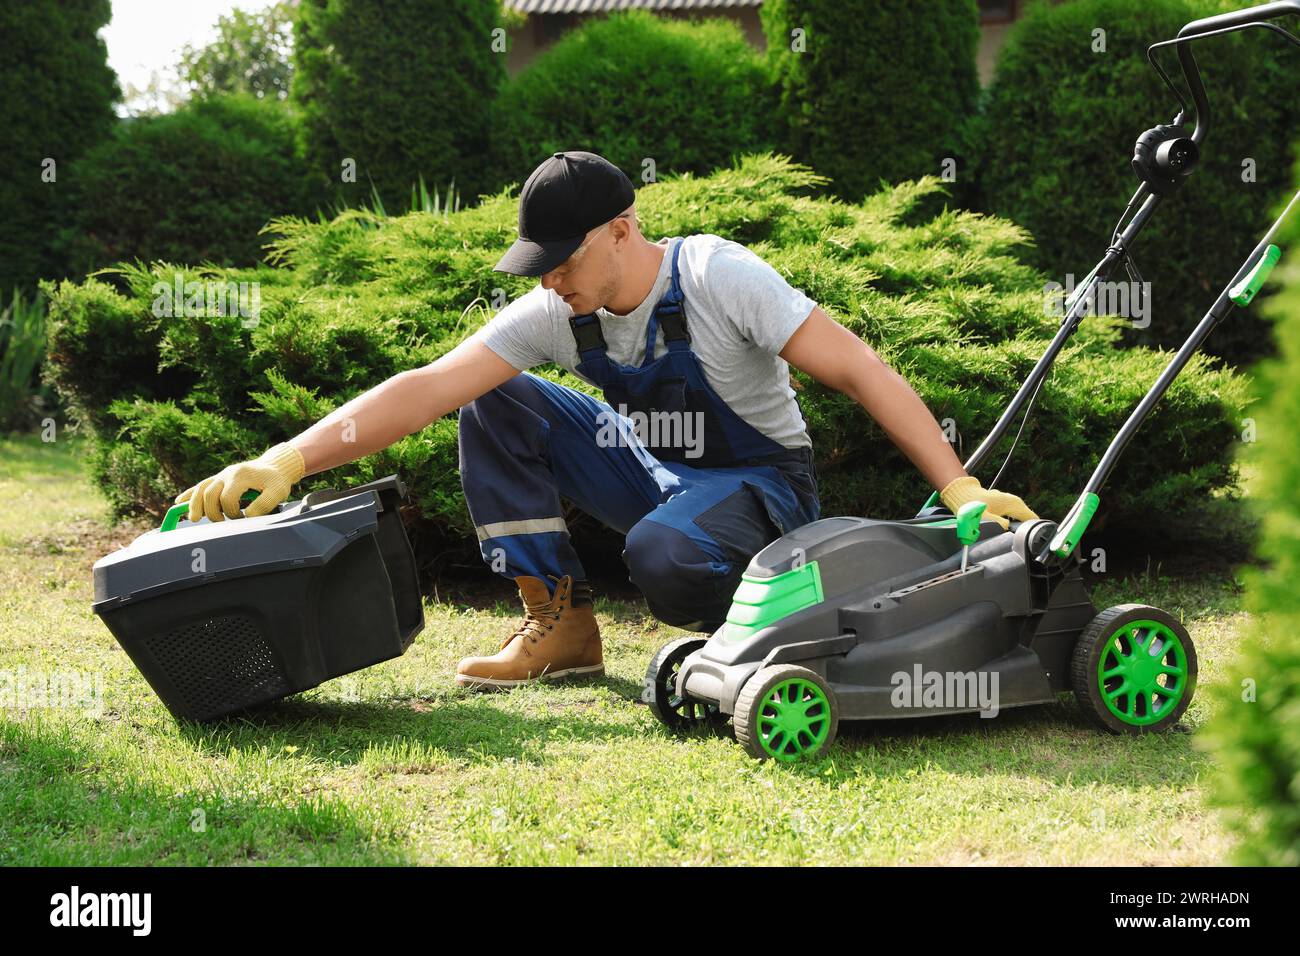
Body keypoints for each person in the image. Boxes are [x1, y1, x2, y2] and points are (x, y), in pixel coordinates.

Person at [175, 150, 1038, 690]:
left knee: (661, 553)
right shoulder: (561, 307)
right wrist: (286, 459)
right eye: (539, 264)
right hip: (656, 472)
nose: (550, 279)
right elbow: (427, 385)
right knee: (490, 391)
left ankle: (765, 636)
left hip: (762, 489)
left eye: (564, 259)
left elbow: (859, 369)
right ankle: (562, 625)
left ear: (623, 229)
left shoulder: (717, 276)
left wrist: (957, 486)